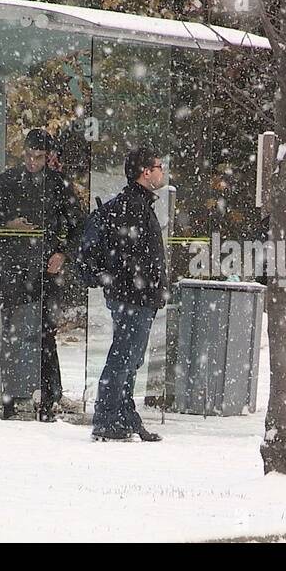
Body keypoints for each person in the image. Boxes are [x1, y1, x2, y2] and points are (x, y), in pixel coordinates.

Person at [0, 129, 81, 422]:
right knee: (14, 334)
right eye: (28, 155)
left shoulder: (59, 186)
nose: (32, 161)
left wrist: (62, 254)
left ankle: (46, 397)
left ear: (48, 157)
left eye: (38, 157)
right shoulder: (7, 182)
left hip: (43, 270)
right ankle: (14, 397)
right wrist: (8, 229)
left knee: (44, 335)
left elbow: (78, 225)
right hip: (16, 268)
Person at [90, 146, 168, 442]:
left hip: (135, 295)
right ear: (145, 172)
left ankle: (122, 414)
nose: (162, 171)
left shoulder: (136, 204)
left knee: (130, 357)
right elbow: (131, 255)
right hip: (133, 296)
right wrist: (143, 285)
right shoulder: (133, 206)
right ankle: (109, 416)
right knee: (124, 356)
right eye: (159, 166)